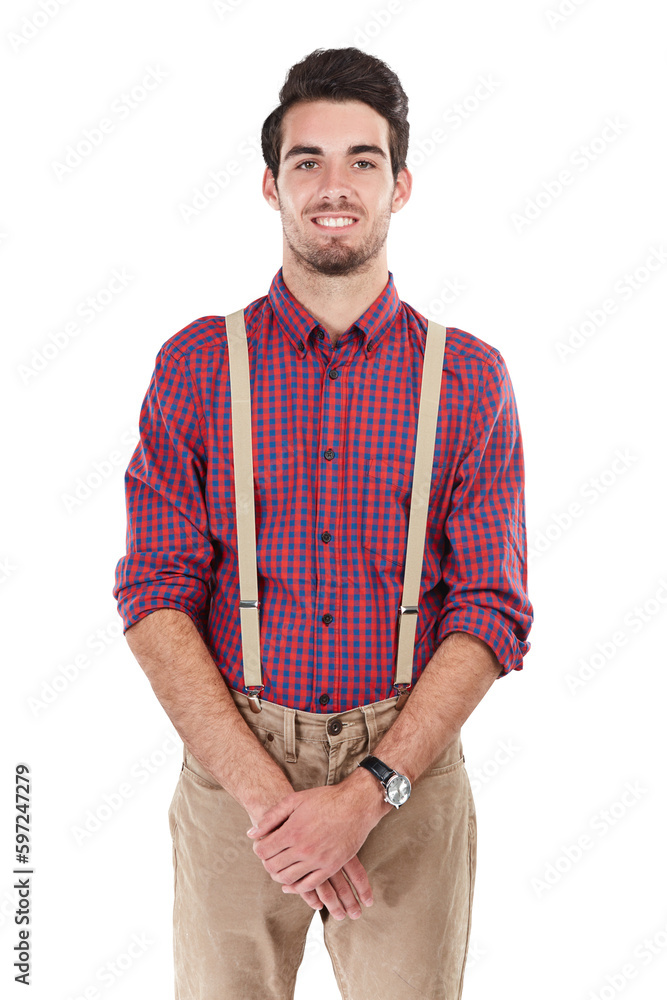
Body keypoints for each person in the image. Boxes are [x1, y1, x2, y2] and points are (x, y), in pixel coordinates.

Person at [113, 45, 533, 1000]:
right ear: (271, 184)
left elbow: (491, 610)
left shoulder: (467, 379)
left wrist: (366, 793)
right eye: (307, 161)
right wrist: (281, 809)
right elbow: (153, 597)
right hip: (235, 772)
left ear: (402, 183)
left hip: (409, 773)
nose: (333, 185)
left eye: (362, 159)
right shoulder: (194, 366)